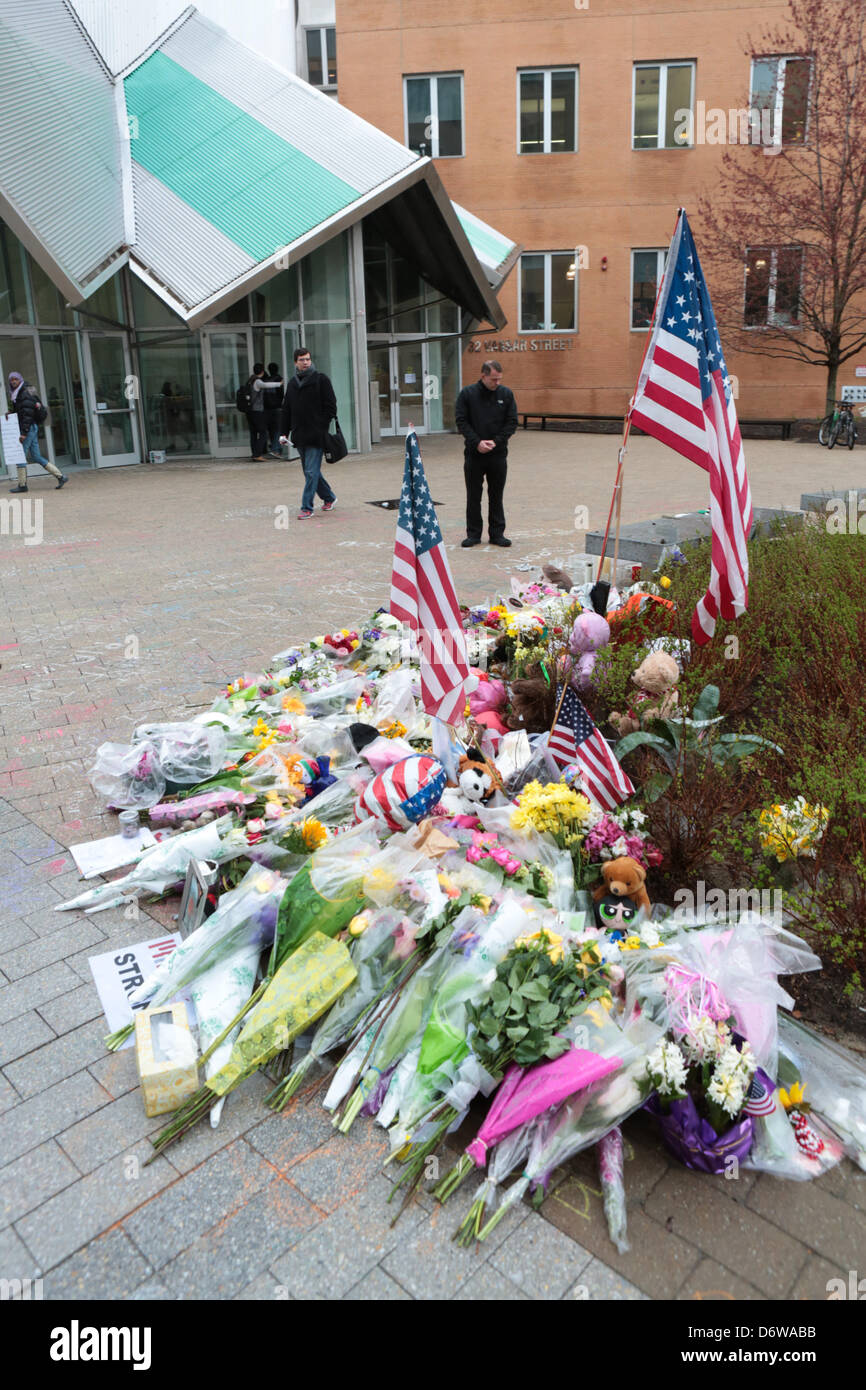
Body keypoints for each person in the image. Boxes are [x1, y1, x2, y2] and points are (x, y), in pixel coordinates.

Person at [455, 359, 517, 547]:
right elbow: (461, 421)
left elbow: (512, 422)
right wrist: (477, 443)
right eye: (493, 379)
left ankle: (497, 534)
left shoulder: (506, 394)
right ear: (483, 376)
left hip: (498, 455)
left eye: (499, 379)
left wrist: (496, 441)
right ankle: (473, 534)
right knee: (474, 495)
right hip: (474, 454)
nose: (497, 383)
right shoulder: (467, 394)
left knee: (496, 495)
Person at [279, 347, 337, 519]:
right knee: (311, 472)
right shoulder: (292, 383)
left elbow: (331, 406)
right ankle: (329, 497)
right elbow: (286, 410)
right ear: (295, 362)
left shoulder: (321, 380)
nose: (305, 362)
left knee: (311, 472)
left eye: (308, 359)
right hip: (300, 435)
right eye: (302, 360)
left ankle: (307, 508)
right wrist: (284, 433)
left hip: (316, 435)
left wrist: (321, 425)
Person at [5, 372, 67, 492]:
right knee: (36, 456)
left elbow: (27, 415)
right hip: (31, 428)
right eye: (11, 380)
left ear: (20, 380)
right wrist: (11, 413)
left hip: (28, 428)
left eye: (15, 379)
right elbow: (22, 411)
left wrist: (24, 433)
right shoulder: (18, 393)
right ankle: (61, 476)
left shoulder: (24, 393)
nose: (13, 382)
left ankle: (22, 485)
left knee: (20, 455)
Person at [247, 362, 283, 461]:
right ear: (262, 371)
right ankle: (257, 454)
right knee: (263, 433)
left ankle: (255, 453)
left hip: (250, 411)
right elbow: (266, 385)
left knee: (254, 433)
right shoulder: (257, 381)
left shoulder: (250, 380)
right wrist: (279, 384)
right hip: (257, 411)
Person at [264, 363, 285, 458]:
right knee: (278, 429)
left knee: (272, 430)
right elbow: (281, 394)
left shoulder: (266, 380)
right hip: (277, 407)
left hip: (267, 409)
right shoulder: (279, 379)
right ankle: (276, 449)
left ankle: (276, 449)